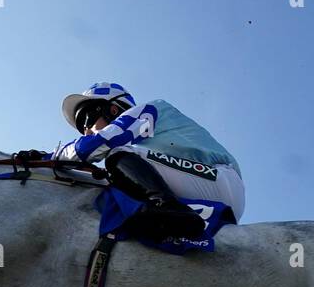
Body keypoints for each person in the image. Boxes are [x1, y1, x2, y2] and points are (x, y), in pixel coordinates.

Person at [17, 82, 246, 243]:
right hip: (204, 184)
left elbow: (98, 143)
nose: (85, 130)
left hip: (215, 178)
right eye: (81, 126)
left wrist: (48, 158)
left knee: (116, 152)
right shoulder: (146, 145)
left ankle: (167, 209)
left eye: (87, 118)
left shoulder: (151, 108)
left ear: (113, 109)